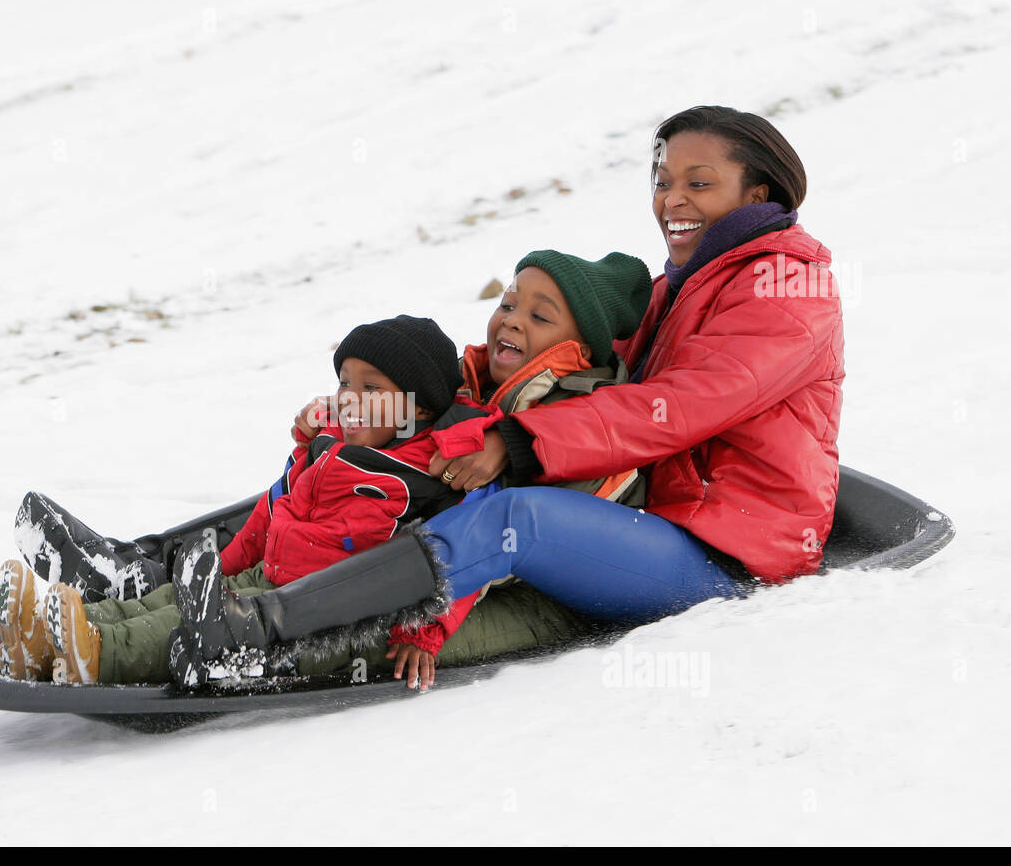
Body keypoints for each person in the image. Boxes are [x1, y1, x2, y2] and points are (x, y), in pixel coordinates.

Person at [163, 104, 845, 688]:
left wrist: (517, 444)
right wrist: (415, 401)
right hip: (653, 518)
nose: (673, 200)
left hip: (729, 555)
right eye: (664, 181)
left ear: (757, 194)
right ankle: (153, 569)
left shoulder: (786, 291)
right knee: (374, 454)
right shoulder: (683, 286)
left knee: (512, 517)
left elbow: (680, 407)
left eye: (700, 183)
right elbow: (569, 371)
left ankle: (257, 631)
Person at [169, 249, 652, 686]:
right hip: (420, 570)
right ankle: (149, 569)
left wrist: (425, 626)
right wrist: (333, 424)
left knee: (372, 635)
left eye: (539, 316)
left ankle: (241, 646)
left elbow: (489, 536)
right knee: (313, 491)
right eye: (506, 305)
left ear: (580, 350)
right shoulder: (483, 385)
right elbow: (396, 438)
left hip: (528, 596)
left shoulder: (586, 425)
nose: (512, 321)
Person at [0, 315, 492, 685]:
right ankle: (50, 633)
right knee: (167, 600)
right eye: (344, 383)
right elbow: (277, 512)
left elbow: (461, 559)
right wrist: (227, 564)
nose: (348, 398)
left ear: (419, 406)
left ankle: (96, 653)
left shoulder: (433, 473)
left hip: (319, 607)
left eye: (371, 388)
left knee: (180, 624)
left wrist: (424, 633)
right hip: (270, 574)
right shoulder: (337, 448)